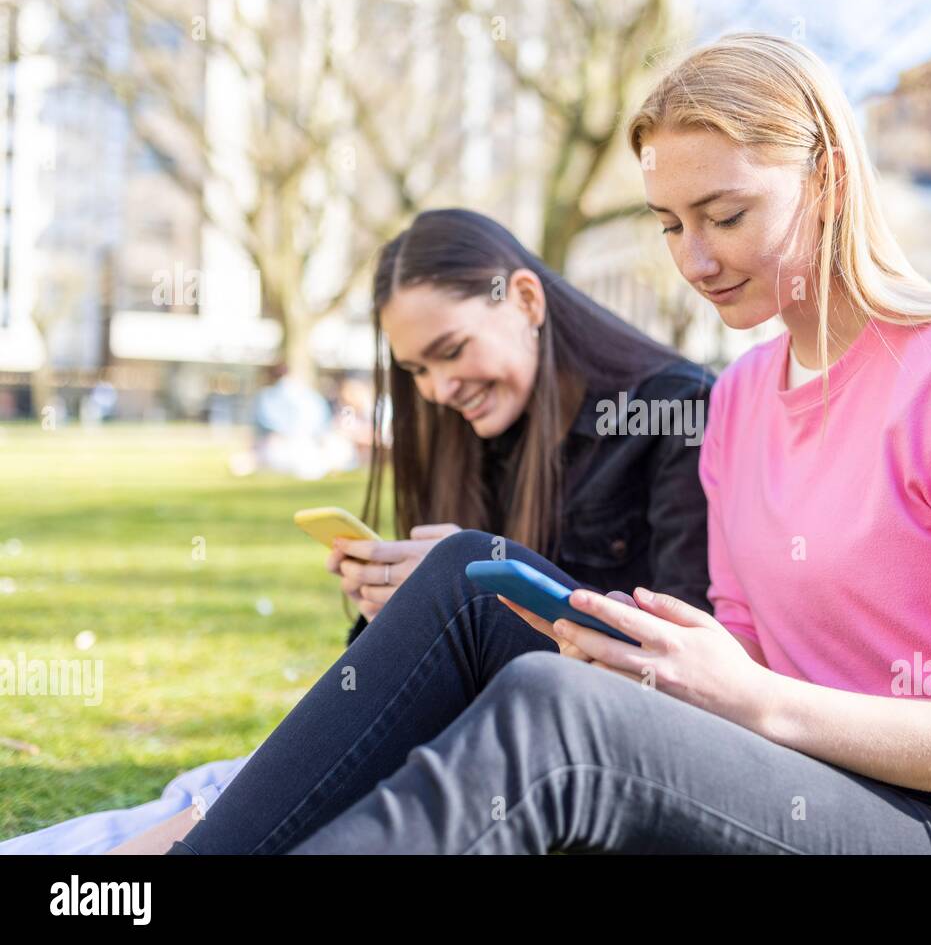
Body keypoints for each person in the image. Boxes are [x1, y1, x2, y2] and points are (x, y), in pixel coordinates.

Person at [166, 33, 931, 856]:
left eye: (727, 215)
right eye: (671, 224)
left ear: (825, 180)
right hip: (819, 777)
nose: (696, 259)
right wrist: (659, 659)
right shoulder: (741, 399)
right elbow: (737, 649)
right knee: (467, 572)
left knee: (562, 715)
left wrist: (754, 701)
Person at [1, 208, 711, 856]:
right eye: (416, 370)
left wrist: (474, 579)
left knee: (207, 817)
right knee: (192, 806)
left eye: (451, 350)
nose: (436, 389)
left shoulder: (671, 412)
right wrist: (394, 609)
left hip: (586, 749)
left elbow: (685, 651)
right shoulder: (474, 436)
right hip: (452, 735)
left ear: (525, 300)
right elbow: (383, 687)